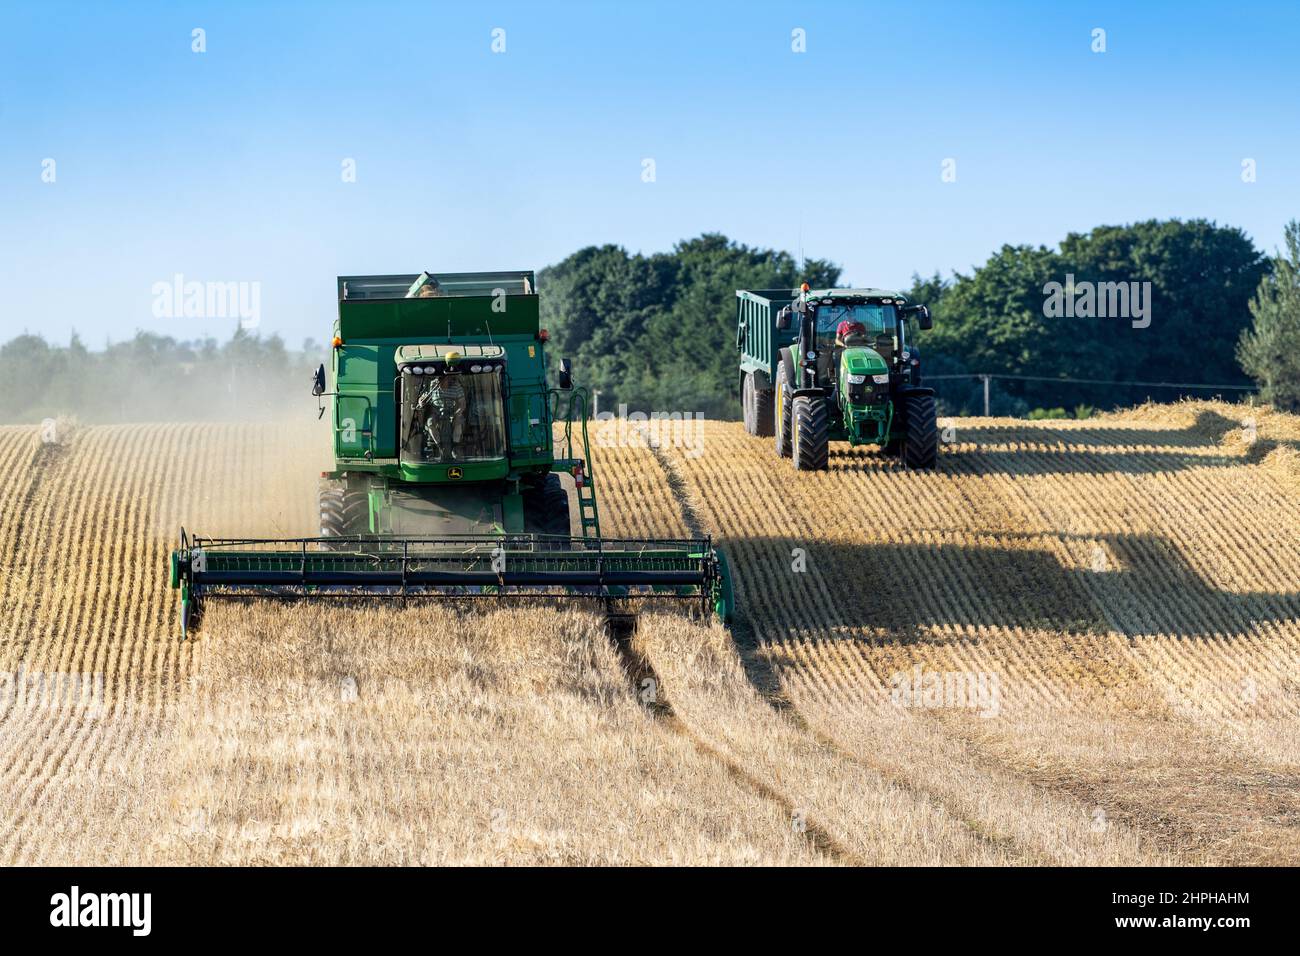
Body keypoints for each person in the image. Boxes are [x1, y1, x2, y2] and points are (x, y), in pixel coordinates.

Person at [414, 373, 467, 460]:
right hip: (436, 412)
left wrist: (457, 413)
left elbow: (462, 404)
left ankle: (455, 447)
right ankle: (439, 446)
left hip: (452, 411)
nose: (441, 381)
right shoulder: (433, 385)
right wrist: (421, 401)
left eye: (444, 379)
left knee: (458, 423)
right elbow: (423, 398)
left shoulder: (456, 387)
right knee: (430, 423)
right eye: (440, 378)